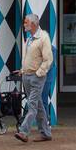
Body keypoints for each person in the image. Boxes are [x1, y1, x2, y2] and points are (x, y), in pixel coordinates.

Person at [15, 14, 53, 143]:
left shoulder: (43, 37)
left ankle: (23, 132)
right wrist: (22, 71)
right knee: (39, 105)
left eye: (26, 22)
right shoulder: (29, 38)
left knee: (32, 104)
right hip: (27, 76)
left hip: (36, 77)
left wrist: (39, 73)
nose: (24, 24)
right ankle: (46, 133)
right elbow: (28, 58)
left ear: (34, 24)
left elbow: (48, 59)